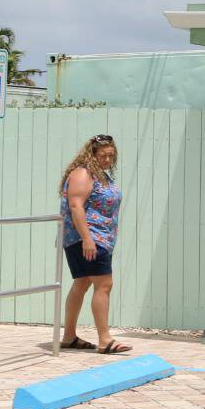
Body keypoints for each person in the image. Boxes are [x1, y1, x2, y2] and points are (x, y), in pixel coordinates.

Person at [58, 134, 130, 354]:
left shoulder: (100, 175)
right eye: (103, 155)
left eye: (111, 155)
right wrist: (88, 239)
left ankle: (69, 337)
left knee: (82, 283)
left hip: (97, 238)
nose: (108, 160)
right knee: (104, 285)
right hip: (88, 238)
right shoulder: (83, 173)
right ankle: (105, 339)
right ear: (92, 154)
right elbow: (76, 206)